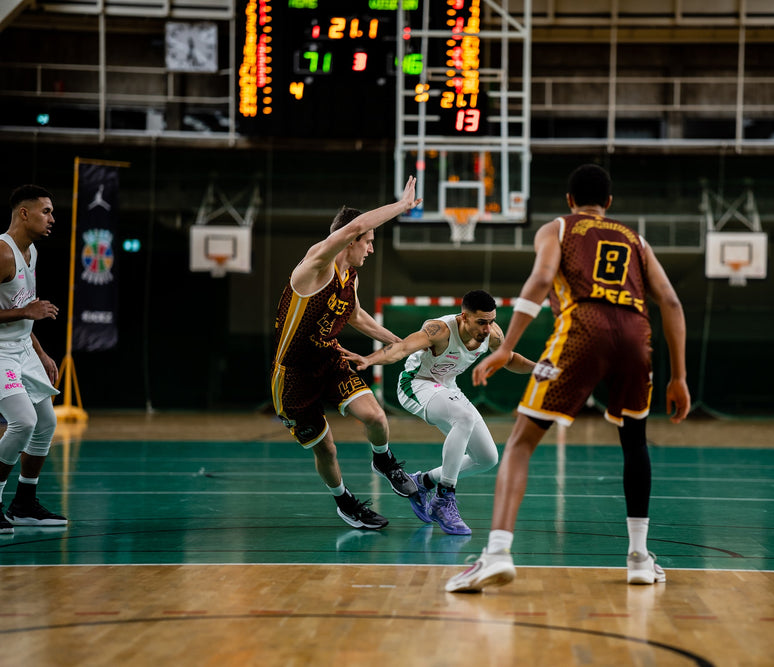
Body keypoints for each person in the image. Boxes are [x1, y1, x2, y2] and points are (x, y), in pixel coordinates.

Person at [444, 163, 691, 592]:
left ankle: (497, 553)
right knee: (635, 441)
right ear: (609, 203)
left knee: (520, 443)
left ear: (569, 200)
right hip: (636, 335)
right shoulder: (637, 241)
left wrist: (506, 347)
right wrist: (680, 377)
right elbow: (670, 302)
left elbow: (541, 279)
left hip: (582, 331)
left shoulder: (558, 228)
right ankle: (638, 557)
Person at [271, 176, 422, 531]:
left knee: (376, 417)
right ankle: (345, 503)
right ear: (351, 239)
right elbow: (356, 224)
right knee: (327, 449)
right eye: (368, 242)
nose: (370, 248)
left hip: (329, 360)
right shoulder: (315, 266)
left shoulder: (350, 276)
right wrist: (402, 207)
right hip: (293, 376)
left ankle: (383, 461)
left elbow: (355, 316)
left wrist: (399, 342)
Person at [340, 289, 535, 536]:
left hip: (447, 386)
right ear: (464, 317)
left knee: (487, 457)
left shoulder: (492, 334)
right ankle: (444, 500)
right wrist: (369, 359)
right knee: (463, 418)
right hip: (416, 384)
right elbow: (401, 349)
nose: (487, 328)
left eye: (491, 321)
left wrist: (538, 369)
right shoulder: (440, 330)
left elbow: (508, 359)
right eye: (481, 322)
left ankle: (423, 482)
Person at [0, 185, 64, 535]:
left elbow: (22, 312)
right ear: (24, 213)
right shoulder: (2, 252)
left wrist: (40, 352)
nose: (52, 218)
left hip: (23, 348)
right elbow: (23, 309)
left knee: (45, 423)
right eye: (46, 211)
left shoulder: (32, 252)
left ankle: (24, 503)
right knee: (22, 422)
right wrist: (27, 311)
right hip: (0, 353)